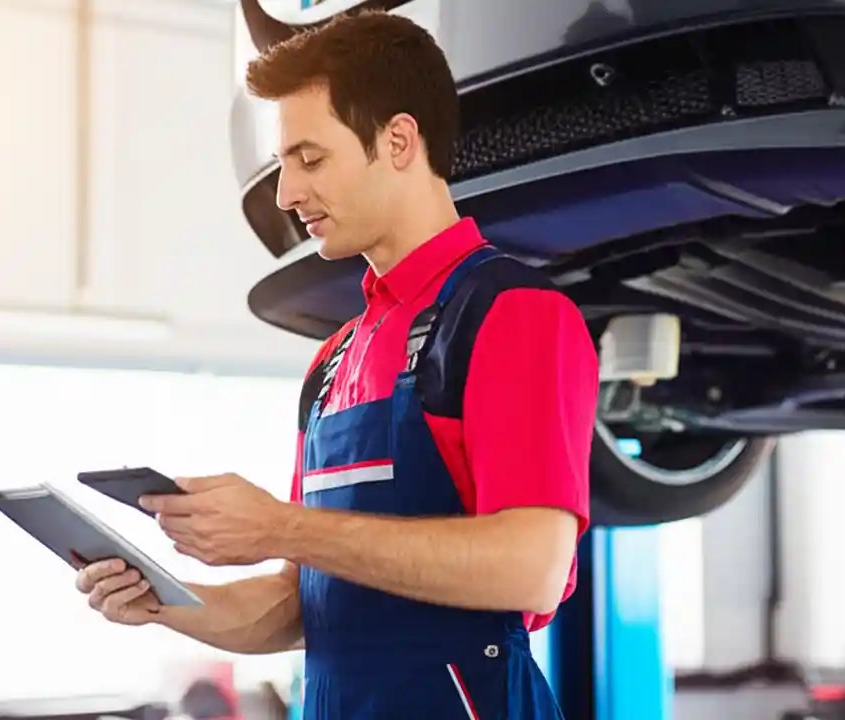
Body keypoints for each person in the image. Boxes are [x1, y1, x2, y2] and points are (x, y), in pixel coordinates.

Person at [76, 10, 599, 718]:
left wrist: (279, 525)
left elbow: (531, 569)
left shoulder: (512, 316)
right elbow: (301, 604)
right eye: (285, 162)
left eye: (310, 158)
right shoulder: (332, 360)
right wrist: (163, 601)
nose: (288, 193)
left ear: (399, 141)